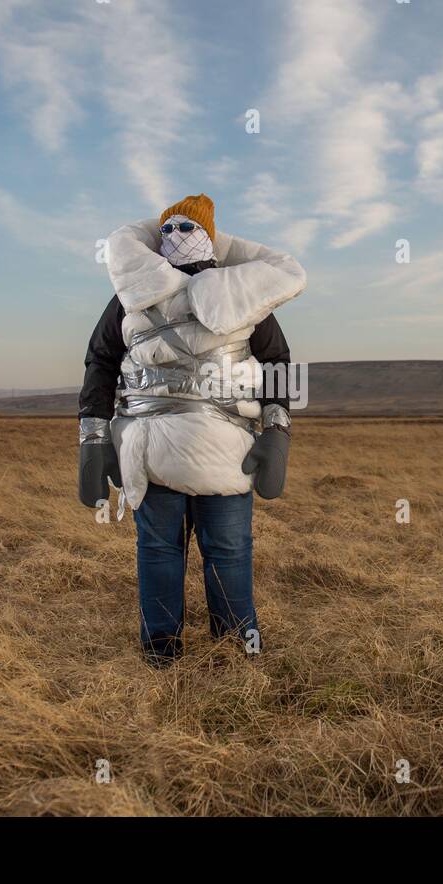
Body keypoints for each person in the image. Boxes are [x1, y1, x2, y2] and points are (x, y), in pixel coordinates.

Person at [77, 193, 306, 665]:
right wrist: (93, 442)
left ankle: (239, 644)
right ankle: (161, 647)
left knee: (229, 550)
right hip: (149, 446)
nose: (176, 237)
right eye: (168, 230)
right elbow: (100, 362)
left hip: (225, 448)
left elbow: (277, 360)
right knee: (160, 549)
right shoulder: (130, 297)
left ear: (208, 235)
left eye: (188, 228)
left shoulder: (240, 292)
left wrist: (277, 432)